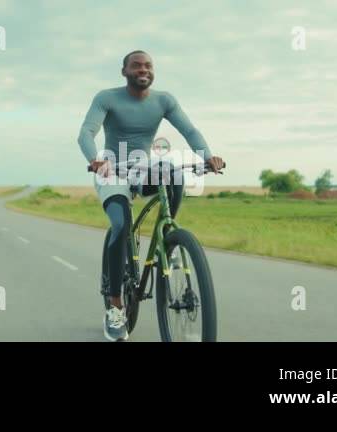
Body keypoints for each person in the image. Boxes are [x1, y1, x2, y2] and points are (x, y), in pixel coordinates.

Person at [78, 50, 224, 341]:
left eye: (148, 65)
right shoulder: (107, 97)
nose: (142, 69)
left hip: (143, 169)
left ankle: (167, 237)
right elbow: (86, 131)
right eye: (136, 65)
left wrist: (207, 156)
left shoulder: (164, 100)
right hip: (113, 168)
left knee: (175, 174)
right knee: (120, 225)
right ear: (124, 72)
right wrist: (96, 159)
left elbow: (190, 130)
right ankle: (116, 306)